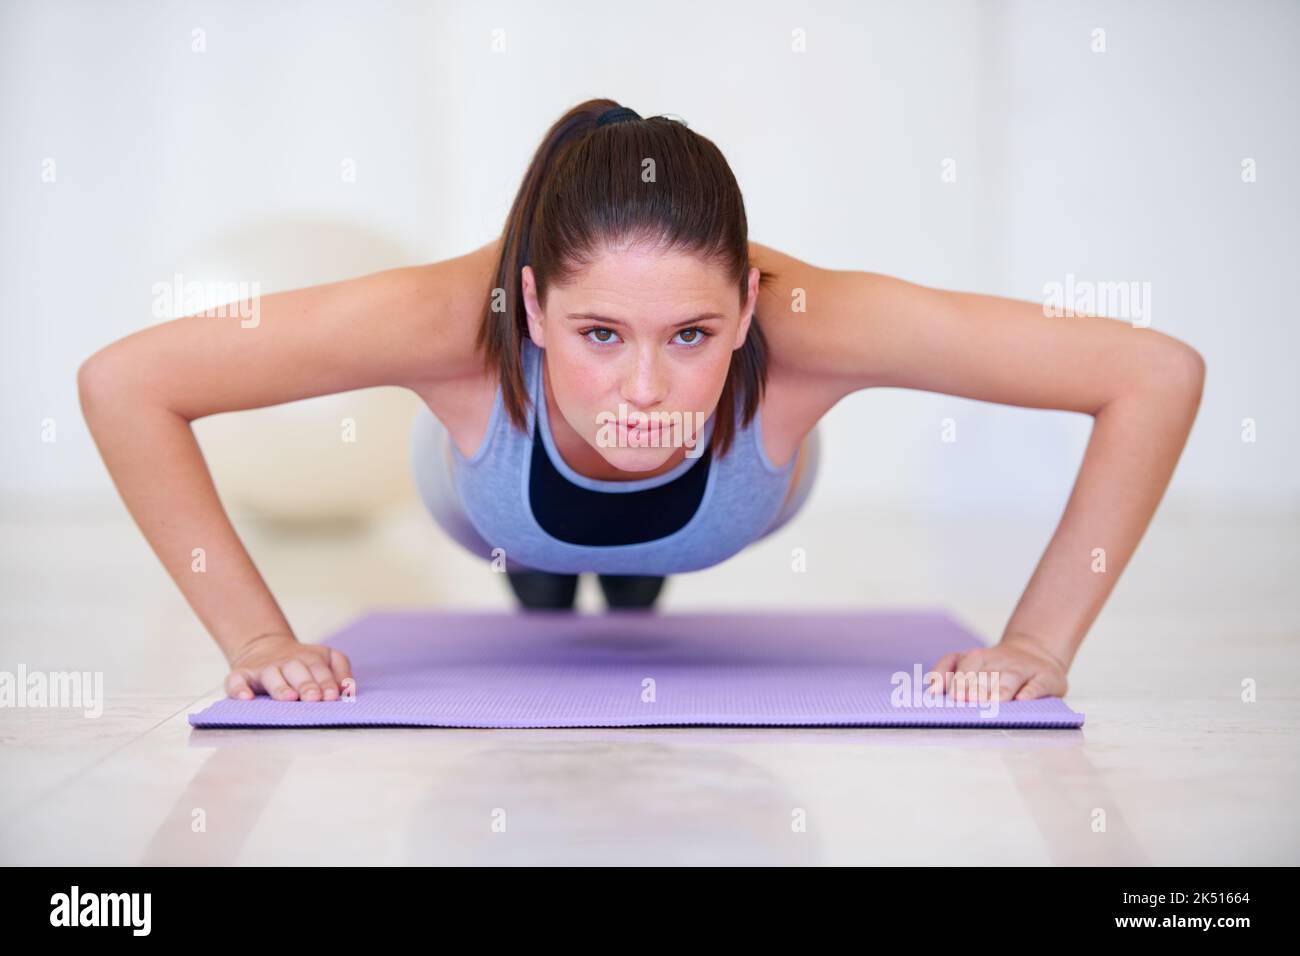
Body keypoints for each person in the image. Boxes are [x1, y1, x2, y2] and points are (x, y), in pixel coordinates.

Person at [77, 98, 1205, 706]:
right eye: (600, 333)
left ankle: (638, 549)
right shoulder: (447, 317)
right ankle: (546, 556)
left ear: (751, 300)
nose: (648, 384)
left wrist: (1038, 642)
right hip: (490, 501)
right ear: (530, 299)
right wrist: (262, 635)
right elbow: (127, 382)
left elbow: (1150, 372)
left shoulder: (819, 320)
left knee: (695, 489)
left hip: (738, 503)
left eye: (696, 334)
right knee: (520, 532)